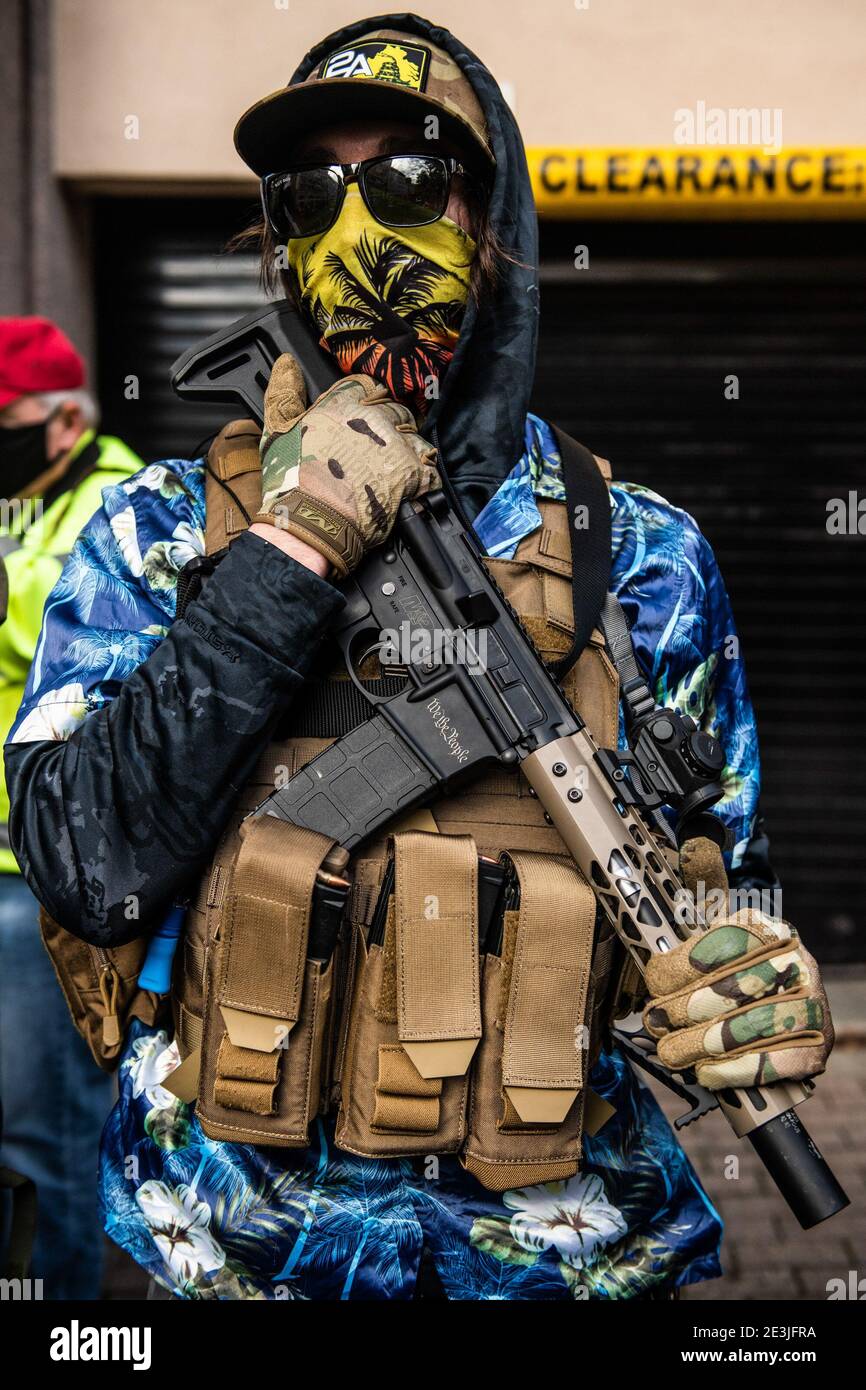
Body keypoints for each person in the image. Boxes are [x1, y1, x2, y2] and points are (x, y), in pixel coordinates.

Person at [5, 17, 833, 1301]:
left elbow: (720, 877)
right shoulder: (161, 529)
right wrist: (288, 549)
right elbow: (81, 863)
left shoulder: (643, 556)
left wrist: (746, 980)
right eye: (306, 195)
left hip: (560, 1257)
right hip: (235, 1256)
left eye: (404, 181)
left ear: (492, 214)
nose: (355, 229)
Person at [0, 317, 142, 1297]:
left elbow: (63, 627)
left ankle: (67, 1316)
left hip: (37, 881)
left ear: (62, 421)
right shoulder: (18, 501)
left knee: (46, 1128)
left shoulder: (115, 505)